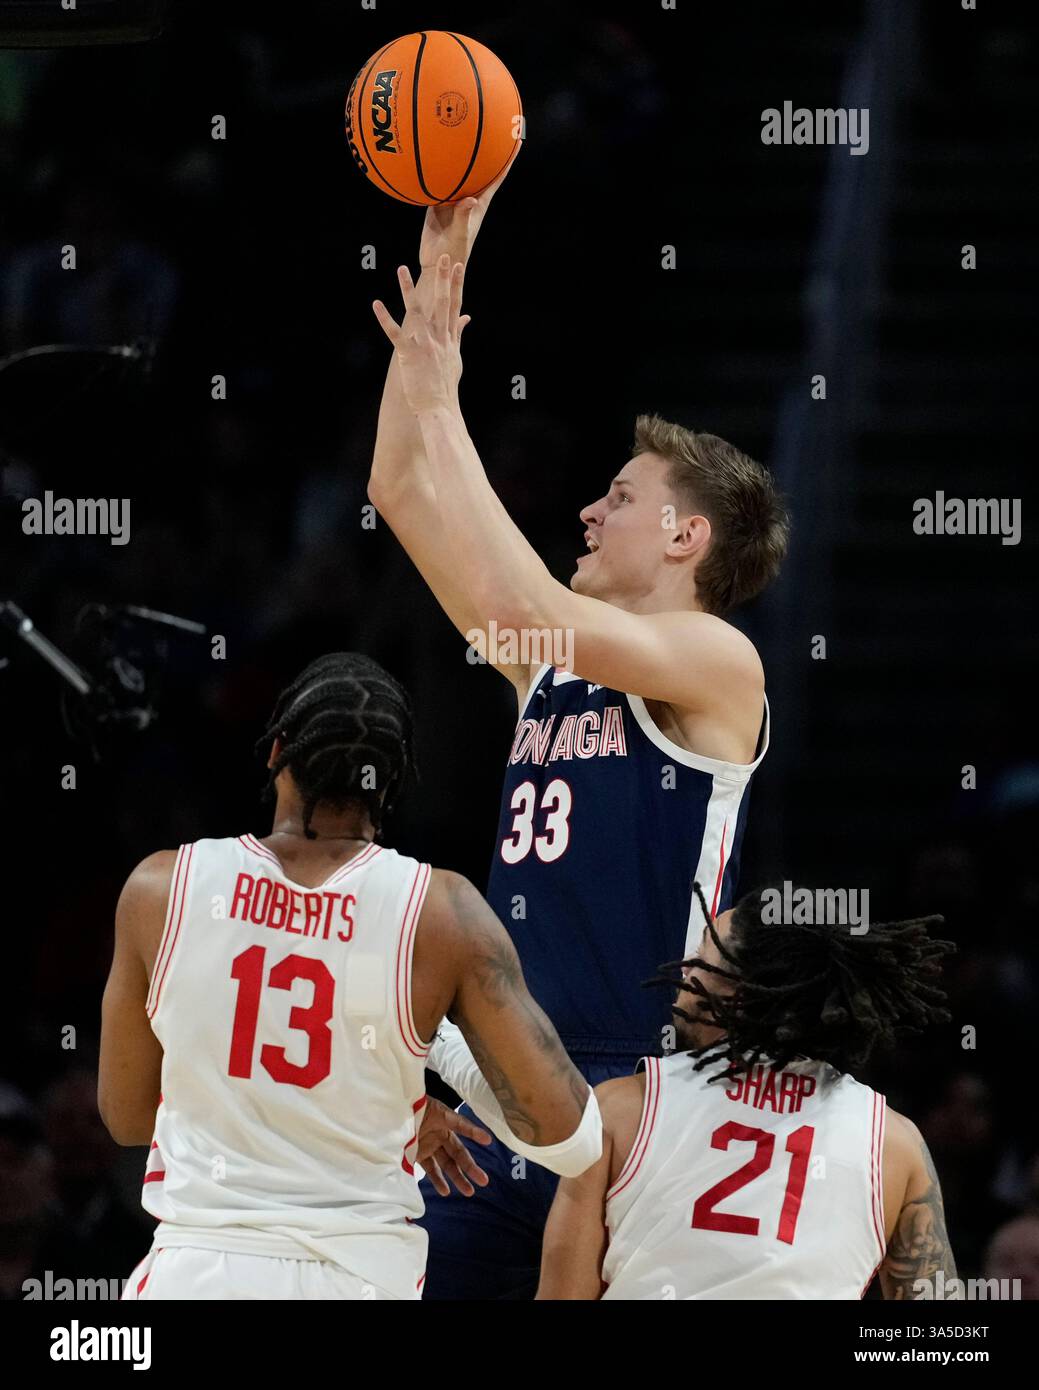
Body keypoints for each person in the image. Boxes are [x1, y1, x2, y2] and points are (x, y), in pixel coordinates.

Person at [368, 164, 789, 1297]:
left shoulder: (717, 661)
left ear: (686, 534)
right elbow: (401, 492)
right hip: (503, 1092)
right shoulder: (543, 671)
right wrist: (437, 288)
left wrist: (446, 402)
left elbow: (524, 603)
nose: (589, 511)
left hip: (640, 1104)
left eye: (618, 496)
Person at [98, 651, 600, 1300]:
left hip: (195, 1273)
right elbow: (570, 1139)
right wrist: (417, 1072)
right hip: (356, 1279)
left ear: (277, 751)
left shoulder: (159, 889)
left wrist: (305, 1112)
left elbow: (129, 1115)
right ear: (392, 783)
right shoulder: (441, 913)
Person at [536, 884, 957, 1299]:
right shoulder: (895, 1144)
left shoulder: (623, 1107)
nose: (684, 967)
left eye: (703, 953)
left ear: (736, 995)